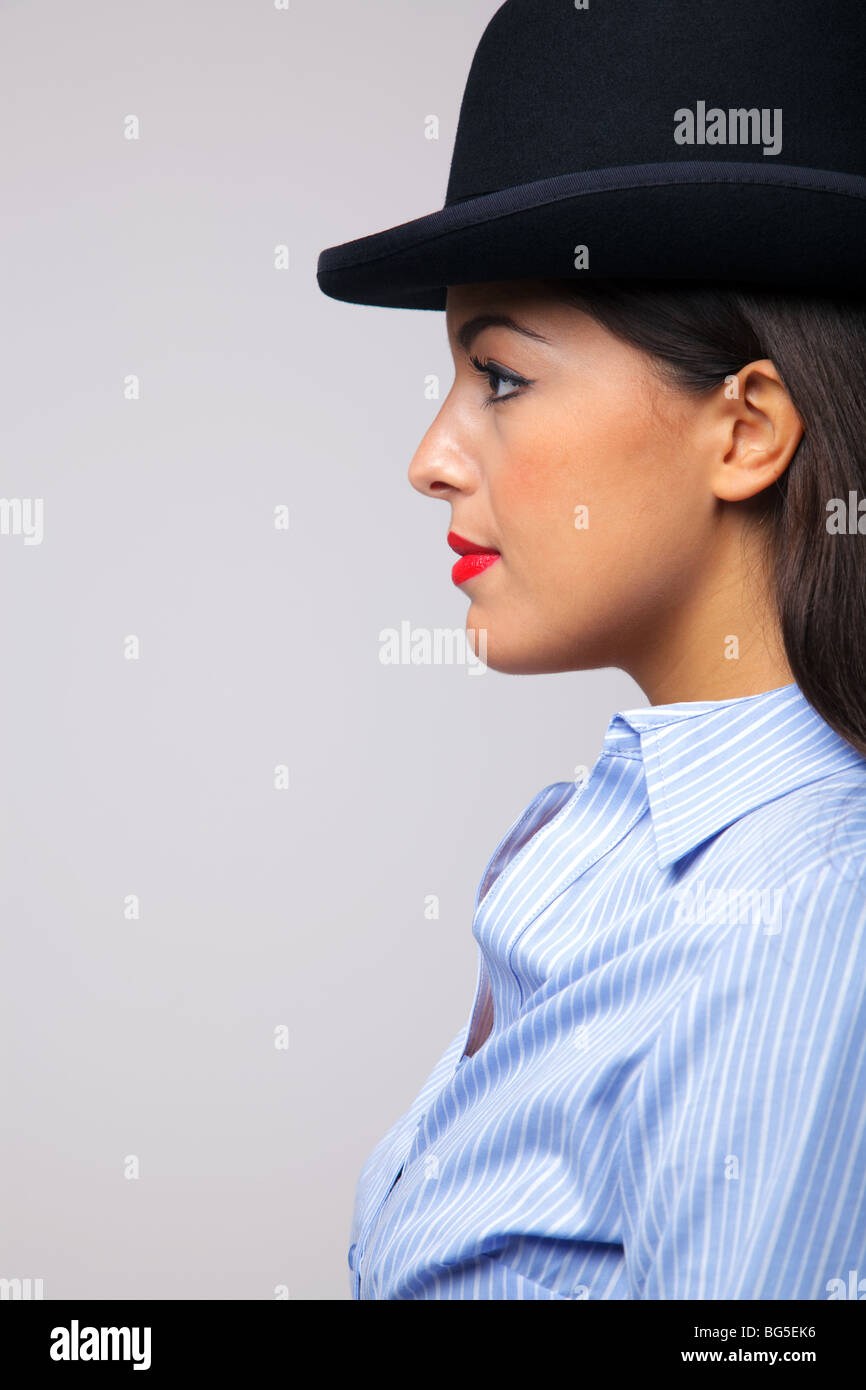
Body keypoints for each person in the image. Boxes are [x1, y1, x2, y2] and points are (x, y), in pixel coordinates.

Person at [316, 0, 866, 1299]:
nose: (430, 458)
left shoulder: (790, 914)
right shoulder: (577, 843)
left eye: (498, 375)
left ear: (742, 432)